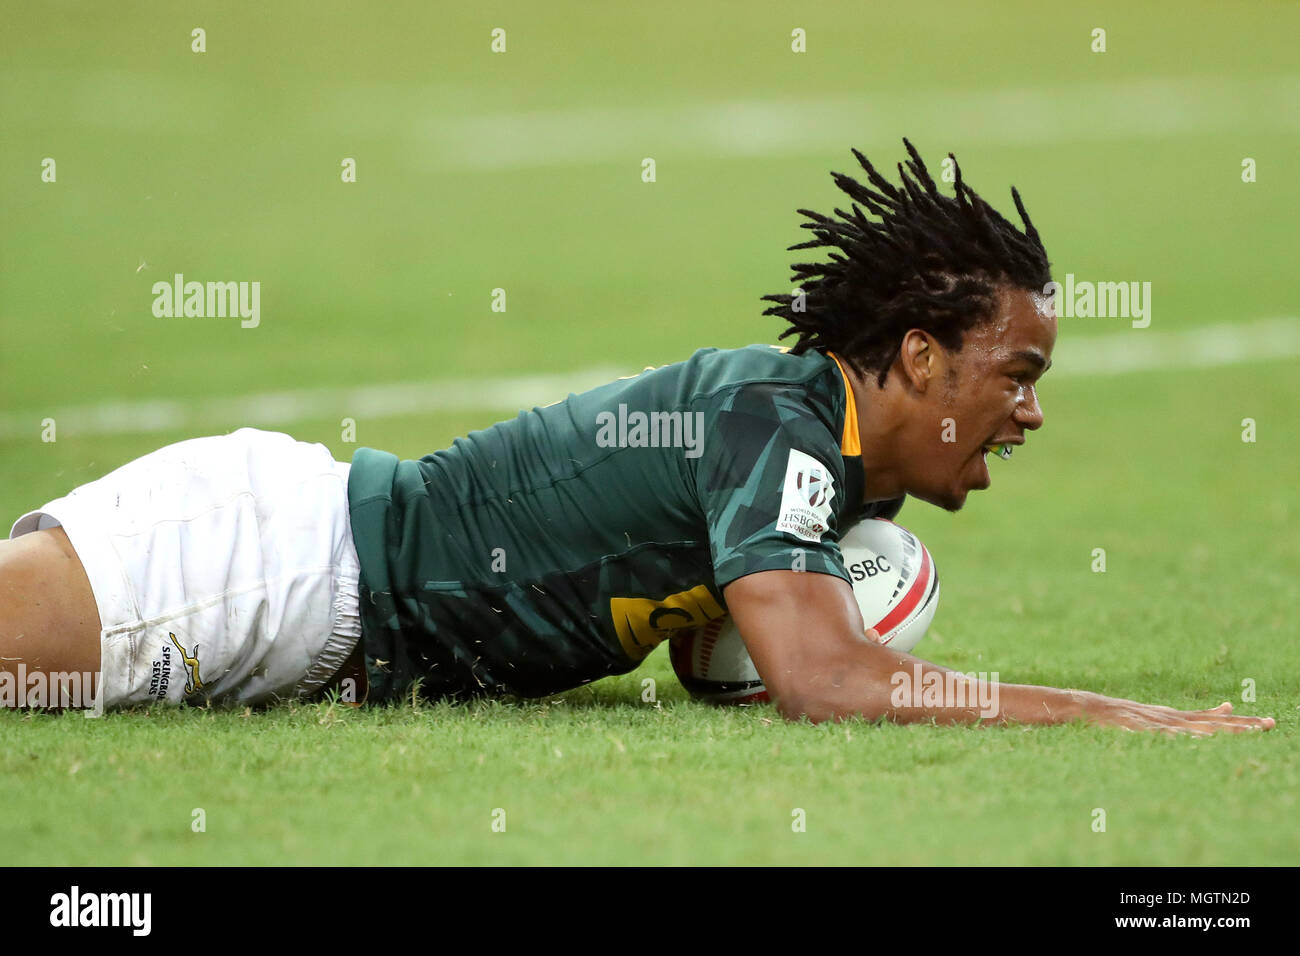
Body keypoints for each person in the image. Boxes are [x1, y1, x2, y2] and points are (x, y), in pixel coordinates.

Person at [0, 140, 1273, 736]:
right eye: (1019, 372)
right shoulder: (778, 426)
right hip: (278, 564)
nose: (1034, 409)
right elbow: (822, 683)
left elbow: (716, 657)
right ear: (923, 358)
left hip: (321, 617)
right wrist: (1125, 717)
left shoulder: (807, 466)